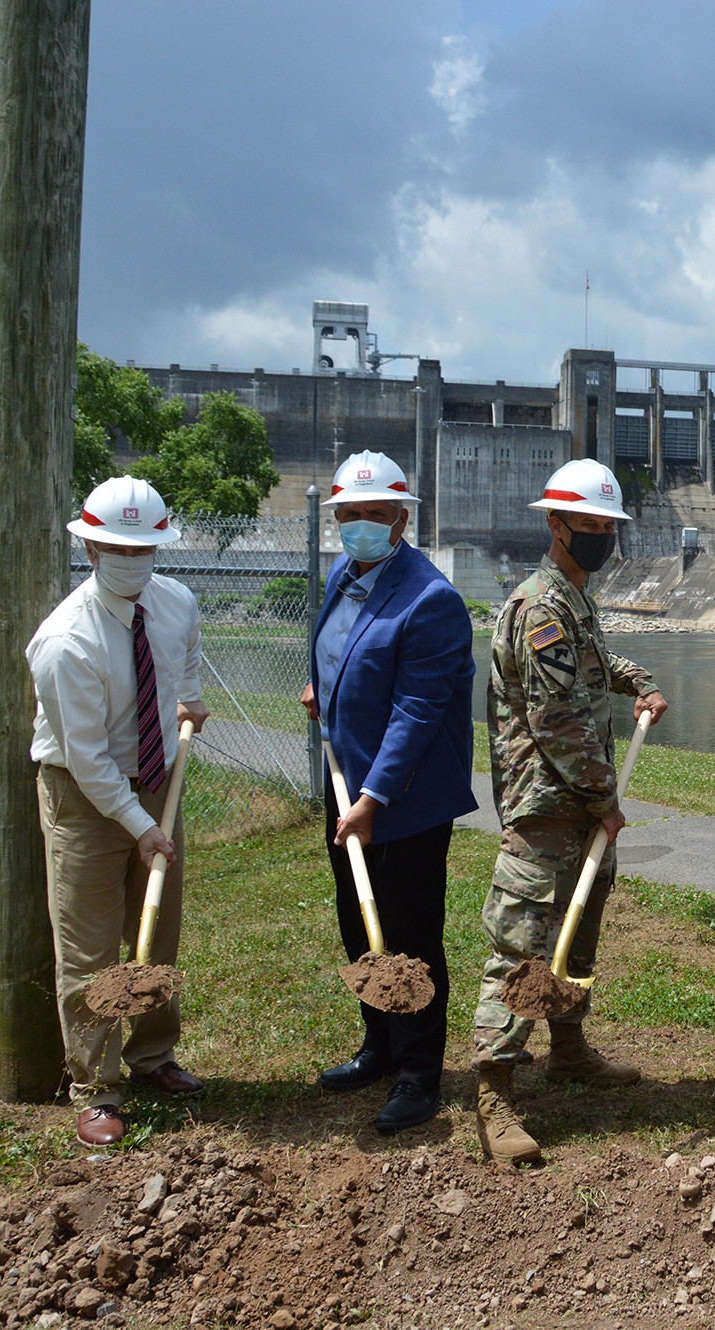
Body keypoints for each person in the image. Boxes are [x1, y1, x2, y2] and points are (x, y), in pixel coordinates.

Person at [473, 457, 669, 1165]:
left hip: (581, 804)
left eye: (606, 526)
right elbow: (553, 717)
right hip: (547, 806)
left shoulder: (574, 600)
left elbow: (594, 666)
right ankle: (494, 1093)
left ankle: (570, 1049)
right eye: (587, 525)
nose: (599, 537)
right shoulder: (540, 606)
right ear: (555, 525)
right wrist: (604, 799)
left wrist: (637, 681)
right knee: (522, 947)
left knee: (577, 937)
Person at [28, 476, 210, 1146]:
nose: (131, 560)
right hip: (83, 795)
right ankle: (97, 1087)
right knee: (90, 943)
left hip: (160, 778)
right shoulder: (64, 642)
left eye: (144, 548)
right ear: (90, 547)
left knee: (156, 929)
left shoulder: (177, 603)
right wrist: (138, 828)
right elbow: (88, 761)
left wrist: (189, 704)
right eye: (116, 547)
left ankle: (154, 1054)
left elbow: (184, 674)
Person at [300, 451, 478, 1135]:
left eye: (377, 514)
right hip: (346, 788)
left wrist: (373, 800)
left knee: (407, 934)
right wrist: (324, 687)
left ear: (402, 518)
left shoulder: (430, 600)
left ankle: (417, 1071)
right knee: (357, 922)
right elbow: (340, 652)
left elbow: (418, 710)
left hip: (400, 803)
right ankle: (378, 1043)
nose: (362, 525)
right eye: (351, 514)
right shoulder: (344, 576)